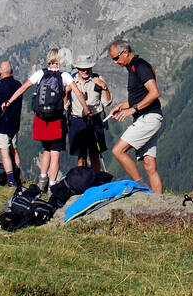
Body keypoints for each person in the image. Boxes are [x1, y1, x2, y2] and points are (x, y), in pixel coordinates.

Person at [2, 49, 88, 193]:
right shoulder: (64, 75)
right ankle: (52, 186)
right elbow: (78, 92)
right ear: (60, 60)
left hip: (41, 119)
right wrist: (86, 109)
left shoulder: (40, 73)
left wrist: (9, 101)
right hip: (56, 119)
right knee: (56, 153)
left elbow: (23, 88)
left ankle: (42, 180)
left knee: (46, 149)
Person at [106, 39, 164, 193]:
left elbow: (154, 93)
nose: (115, 62)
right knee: (149, 164)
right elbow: (139, 97)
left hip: (148, 117)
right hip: (149, 117)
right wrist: (120, 106)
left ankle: (140, 186)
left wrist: (133, 109)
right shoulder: (133, 67)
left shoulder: (140, 66)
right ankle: (159, 202)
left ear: (125, 52)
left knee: (118, 150)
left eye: (116, 58)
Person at [68, 54, 112, 172]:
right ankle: (82, 181)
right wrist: (65, 93)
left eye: (87, 68)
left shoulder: (98, 79)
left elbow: (107, 102)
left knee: (95, 154)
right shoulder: (71, 82)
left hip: (95, 120)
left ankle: (95, 181)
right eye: (82, 69)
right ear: (77, 68)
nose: (85, 71)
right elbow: (64, 105)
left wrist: (104, 87)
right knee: (81, 155)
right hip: (78, 120)